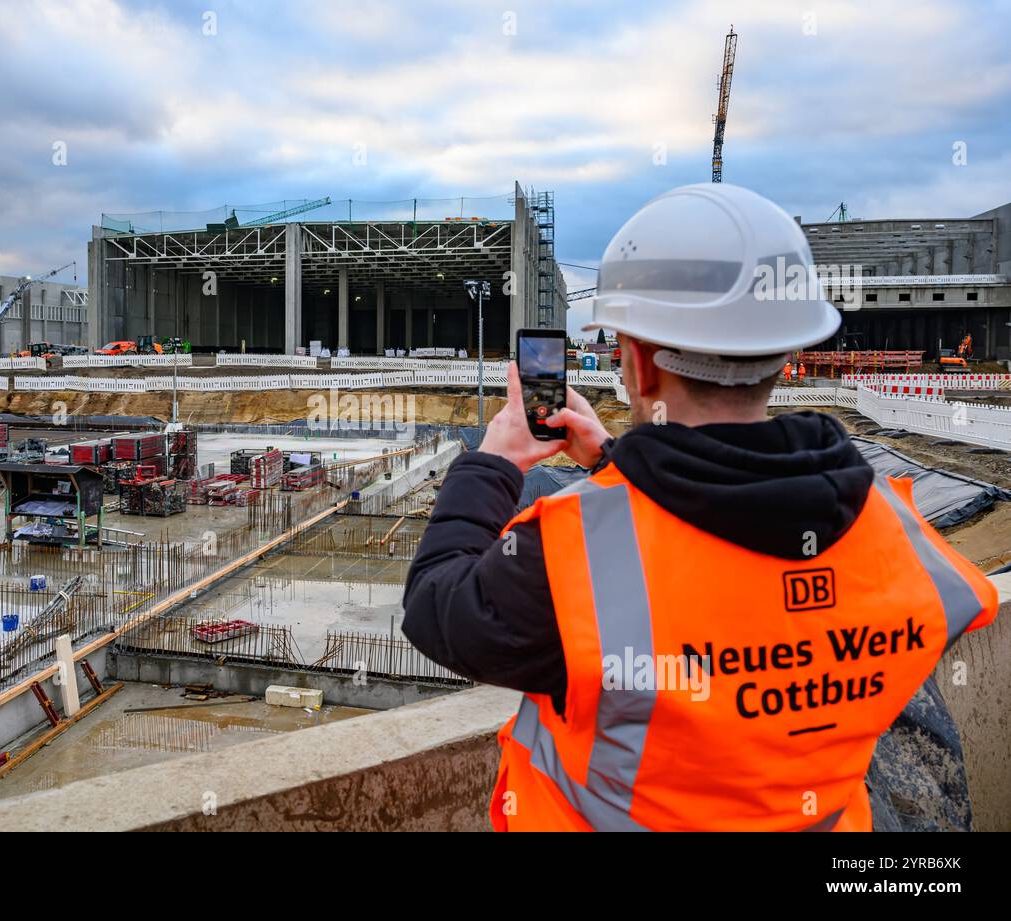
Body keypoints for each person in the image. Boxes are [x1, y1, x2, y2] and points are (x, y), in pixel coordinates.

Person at [401, 183, 999, 832]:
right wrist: (615, 463)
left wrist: (491, 461)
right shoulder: (891, 533)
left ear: (636, 365)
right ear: (785, 351)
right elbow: (725, 526)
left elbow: (436, 606)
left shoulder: (574, 562)